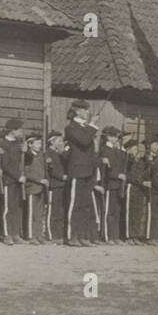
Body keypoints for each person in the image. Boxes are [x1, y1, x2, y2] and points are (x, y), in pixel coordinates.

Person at [64, 99, 100, 246]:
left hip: (88, 171)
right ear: (77, 111)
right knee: (75, 204)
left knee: (85, 205)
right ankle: (72, 236)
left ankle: (83, 236)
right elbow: (84, 141)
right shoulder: (71, 127)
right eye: (85, 110)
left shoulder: (85, 127)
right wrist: (92, 125)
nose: (87, 112)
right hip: (77, 171)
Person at [0, 118, 26, 245]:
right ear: (12, 131)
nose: (21, 131)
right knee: (8, 208)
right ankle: (6, 234)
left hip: (19, 181)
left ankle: (15, 233)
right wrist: (17, 176)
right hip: (9, 180)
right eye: (19, 129)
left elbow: (24, 161)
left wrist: (26, 152)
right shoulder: (3, 144)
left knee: (16, 208)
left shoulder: (19, 144)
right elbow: (5, 165)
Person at [22, 132, 48, 244]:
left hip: (41, 188)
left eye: (40, 143)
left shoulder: (41, 156)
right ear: (30, 144)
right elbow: (27, 173)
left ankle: (39, 235)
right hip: (32, 187)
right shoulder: (27, 156)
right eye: (37, 143)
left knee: (39, 213)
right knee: (31, 213)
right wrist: (39, 180)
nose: (39, 145)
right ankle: (31, 235)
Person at [44, 131, 68, 243]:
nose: (61, 143)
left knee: (60, 211)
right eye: (59, 141)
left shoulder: (60, 154)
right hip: (53, 185)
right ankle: (51, 234)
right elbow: (51, 170)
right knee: (52, 211)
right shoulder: (48, 153)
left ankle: (59, 234)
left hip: (61, 185)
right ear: (52, 142)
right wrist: (61, 176)